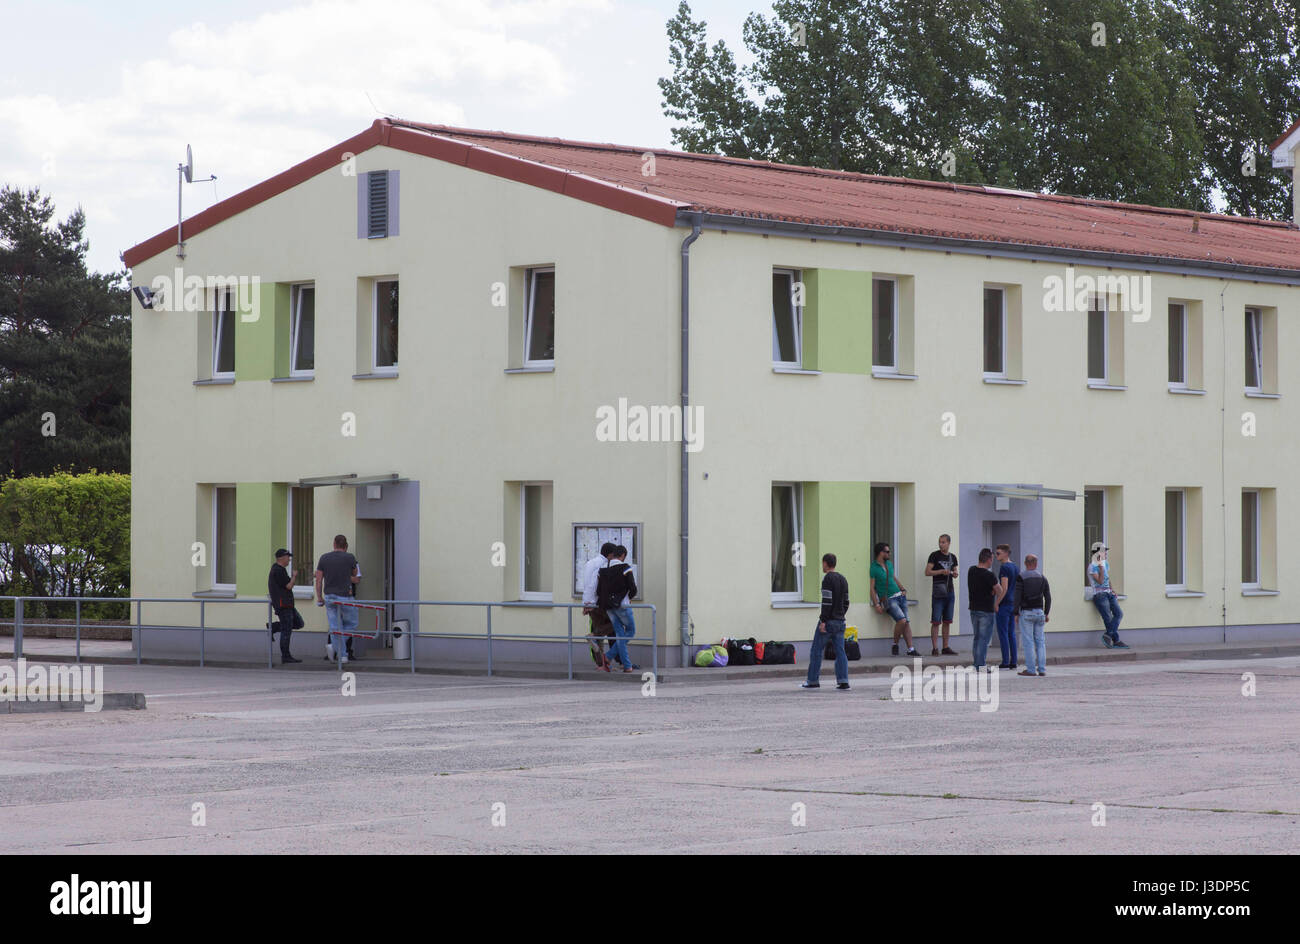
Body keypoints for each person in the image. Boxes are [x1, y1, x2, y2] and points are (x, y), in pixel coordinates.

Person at [801, 553, 850, 690]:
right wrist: (840, 614)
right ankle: (843, 681)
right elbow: (846, 602)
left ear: (825, 563)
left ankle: (812, 681)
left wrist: (823, 620)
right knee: (841, 652)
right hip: (840, 622)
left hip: (828, 622)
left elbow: (827, 602)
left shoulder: (827, 579)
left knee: (816, 650)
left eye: (822, 563)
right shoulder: (843, 579)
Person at [315, 534, 360, 665]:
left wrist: (319, 598)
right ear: (345, 546)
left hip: (329, 597)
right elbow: (356, 575)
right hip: (345, 596)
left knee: (334, 626)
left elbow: (318, 580)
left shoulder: (324, 558)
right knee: (352, 624)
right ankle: (340, 652)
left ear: (334, 544)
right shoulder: (350, 557)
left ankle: (340, 652)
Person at [870, 542, 919, 657]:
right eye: (887, 551)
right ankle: (895, 644)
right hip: (889, 599)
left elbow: (893, 578)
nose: (889, 553)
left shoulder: (889, 564)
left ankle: (911, 649)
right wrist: (877, 604)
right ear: (880, 553)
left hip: (900, 596)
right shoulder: (874, 567)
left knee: (906, 622)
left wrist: (903, 588)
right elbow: (872, 588)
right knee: (901, 620)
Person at [598, 546, 639, 673]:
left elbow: (598, 590)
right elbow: (633, 588)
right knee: (631, 631)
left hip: (608, 607)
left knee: (620, 634)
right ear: (623, 556)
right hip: (622, 606)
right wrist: (629, 598)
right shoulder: (625, 568)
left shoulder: (603, 570)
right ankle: (609, 656)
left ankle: (627, 665)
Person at [582, 542, 619, 671]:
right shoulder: (602, 565)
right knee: (617, 624)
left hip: (589, 603)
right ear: (610, 555)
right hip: (599, 604)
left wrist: (586, 603)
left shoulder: (589, 563)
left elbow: (586, 585)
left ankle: (601, 665)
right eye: (614, 556)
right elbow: (593, 584)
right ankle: (594, 635)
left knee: (600, 636)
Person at [1014, 554, 1051, 677]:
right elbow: (1048, 596)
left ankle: (1030, 669)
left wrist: (1015, 612)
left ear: (1025, 563)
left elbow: (1017, 596)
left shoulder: (1021, 577)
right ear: (1036, 564)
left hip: (1027, 613)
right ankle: (1042, 669)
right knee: (1040, 642)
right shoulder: (1042, 577)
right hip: (1040, 613)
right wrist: (1046, 613)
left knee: (1028, 642)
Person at [967, 548, 1004, 671]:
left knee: (977, 638)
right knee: (983, 639)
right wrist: (994, 595)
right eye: (992, 559)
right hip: (986, 611)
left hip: (973, 609)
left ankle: (976, 664)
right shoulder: (989, 575)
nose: (992, 562)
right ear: (989, 559)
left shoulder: (971, 570)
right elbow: (1000, 590)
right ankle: (981, 665)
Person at [1088, 542, 1130, 649]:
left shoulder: (1105, 563)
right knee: (1108, 617)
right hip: (1100, 594)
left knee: (1119, 614)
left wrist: (1112, 589)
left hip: (1109, 593)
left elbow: (1108, 578)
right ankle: (1116, 640)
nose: (1106, 553)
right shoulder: (1092, 567)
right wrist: (1101, 568)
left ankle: (1108, 635)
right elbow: (1101, 581)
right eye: (1103, 551)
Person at [925, 534, 959, 656]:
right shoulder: (934, 555)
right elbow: (927, 572)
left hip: (950, 591)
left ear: (949, 543)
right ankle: (935, 648)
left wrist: (955, 573)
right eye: (940, 542)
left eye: (943, 542)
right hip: (938, 591)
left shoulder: (953, 557)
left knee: (947, 621)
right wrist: (940, 571)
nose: (941, 544)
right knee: (935, 621)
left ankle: (945, 647)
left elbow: (955, 571)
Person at [267, 548, 302, 664]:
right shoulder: (278, 570)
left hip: (287, 604)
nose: (289, 559)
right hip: (283, 604)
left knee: (298, 623)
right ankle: (285, 656)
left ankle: (273, 627)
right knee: (287, 630)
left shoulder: (279, 569)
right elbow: (288, 586)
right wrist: (294, 576)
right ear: (281, 558)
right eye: (288, 557)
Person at [994, 544, 1020, 669]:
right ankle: (1013, 661)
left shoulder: (1004, 568)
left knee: (1003, 633)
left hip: (1004, 604)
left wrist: (997, 602)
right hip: (1013, 603)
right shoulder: (1015, 567)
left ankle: (1005, 661)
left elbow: (1004, 588)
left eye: (998, 553)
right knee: (1011, 633)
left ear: (1005, 553)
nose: (996, 555)